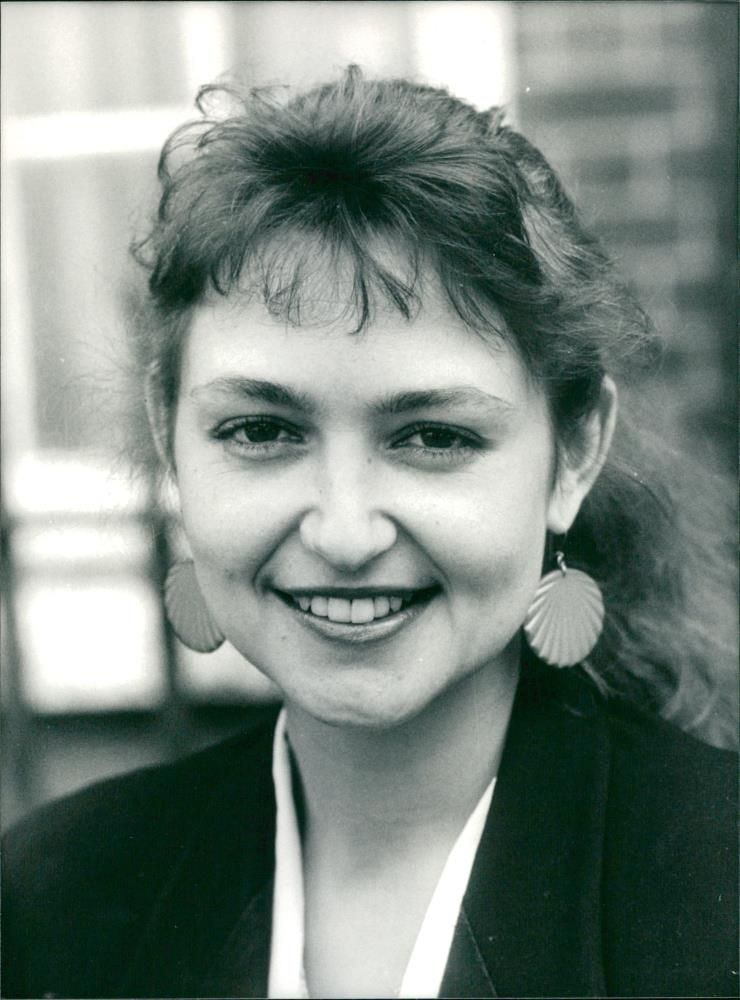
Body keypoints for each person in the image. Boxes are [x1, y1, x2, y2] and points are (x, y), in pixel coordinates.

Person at [2, 67, 736, 1000]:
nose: (344, 535)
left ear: (576, 451)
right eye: (260, 431)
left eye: (434, 437)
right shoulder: (53, 899)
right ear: (168, 433)